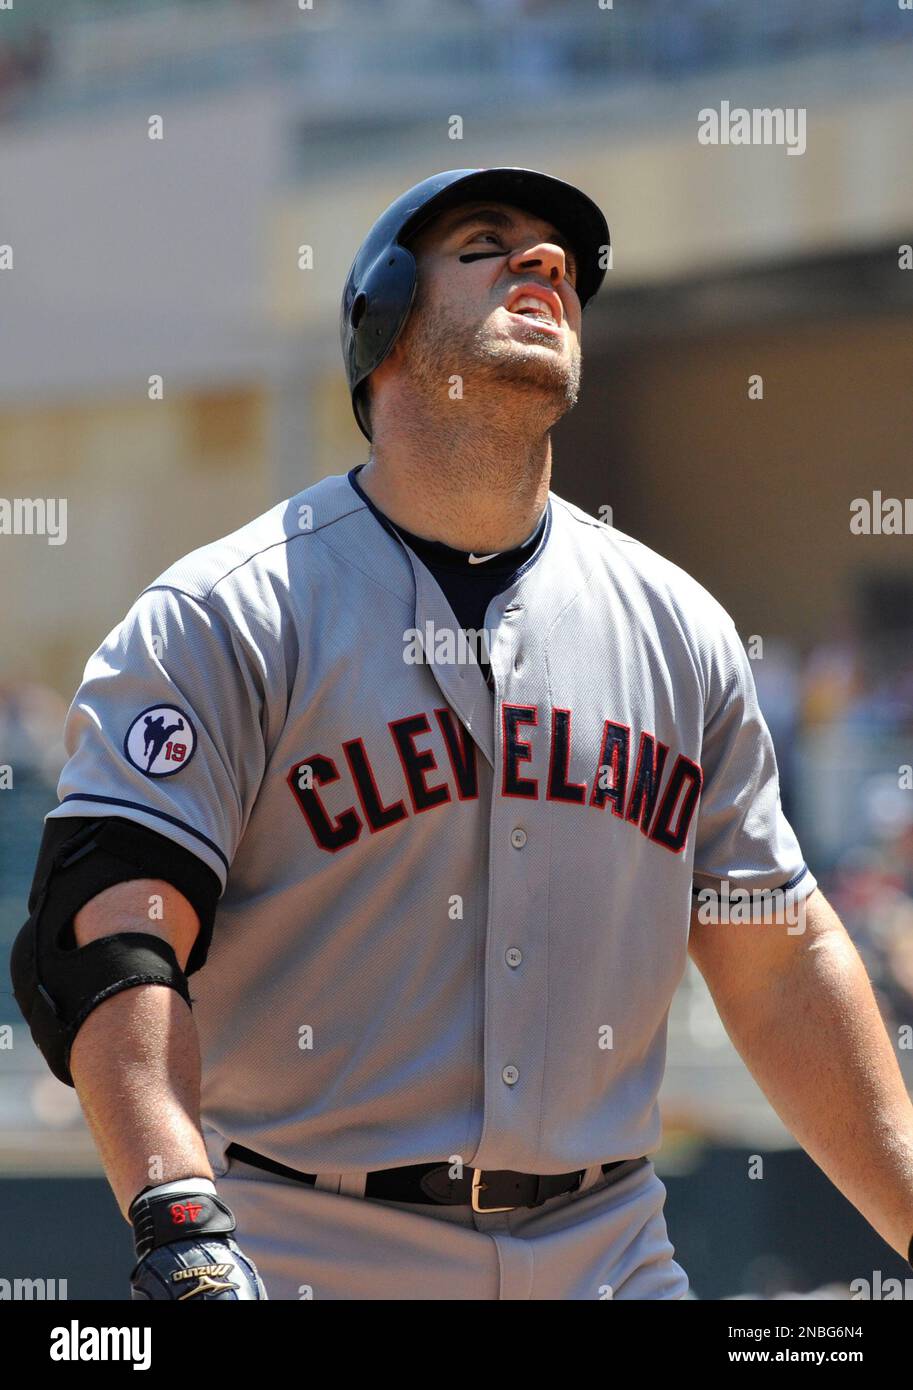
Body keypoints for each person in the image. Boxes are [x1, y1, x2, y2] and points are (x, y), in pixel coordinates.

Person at [12, 166, 913, 1300]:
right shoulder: (231, 612)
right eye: (489, 243)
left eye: (563, 261)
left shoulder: (680, 630)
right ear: (384, 320)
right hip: (305, 1244)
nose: (544, 265)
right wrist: (175, 1207)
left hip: (610, 1248)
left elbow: (777, 959)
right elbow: (107, 937)